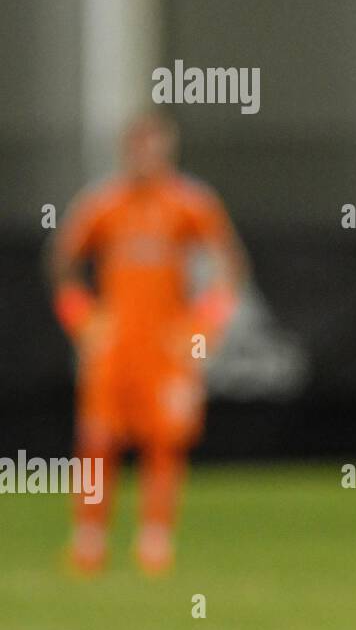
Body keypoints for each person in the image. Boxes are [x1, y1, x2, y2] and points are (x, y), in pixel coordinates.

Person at [47, 104, 247, 576]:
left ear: (168, 150)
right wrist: (82, 319)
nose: (145, 156)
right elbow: (61, 263)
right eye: (137, 147)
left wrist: (203, 327)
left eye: (153, 146)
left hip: (166, 345)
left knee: (164, 443)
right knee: (97, 441)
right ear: (125, 150)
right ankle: (89, 539)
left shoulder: (190, 202)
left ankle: (155, 541)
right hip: (114, 345)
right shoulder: (102, 204)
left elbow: (229, 267)